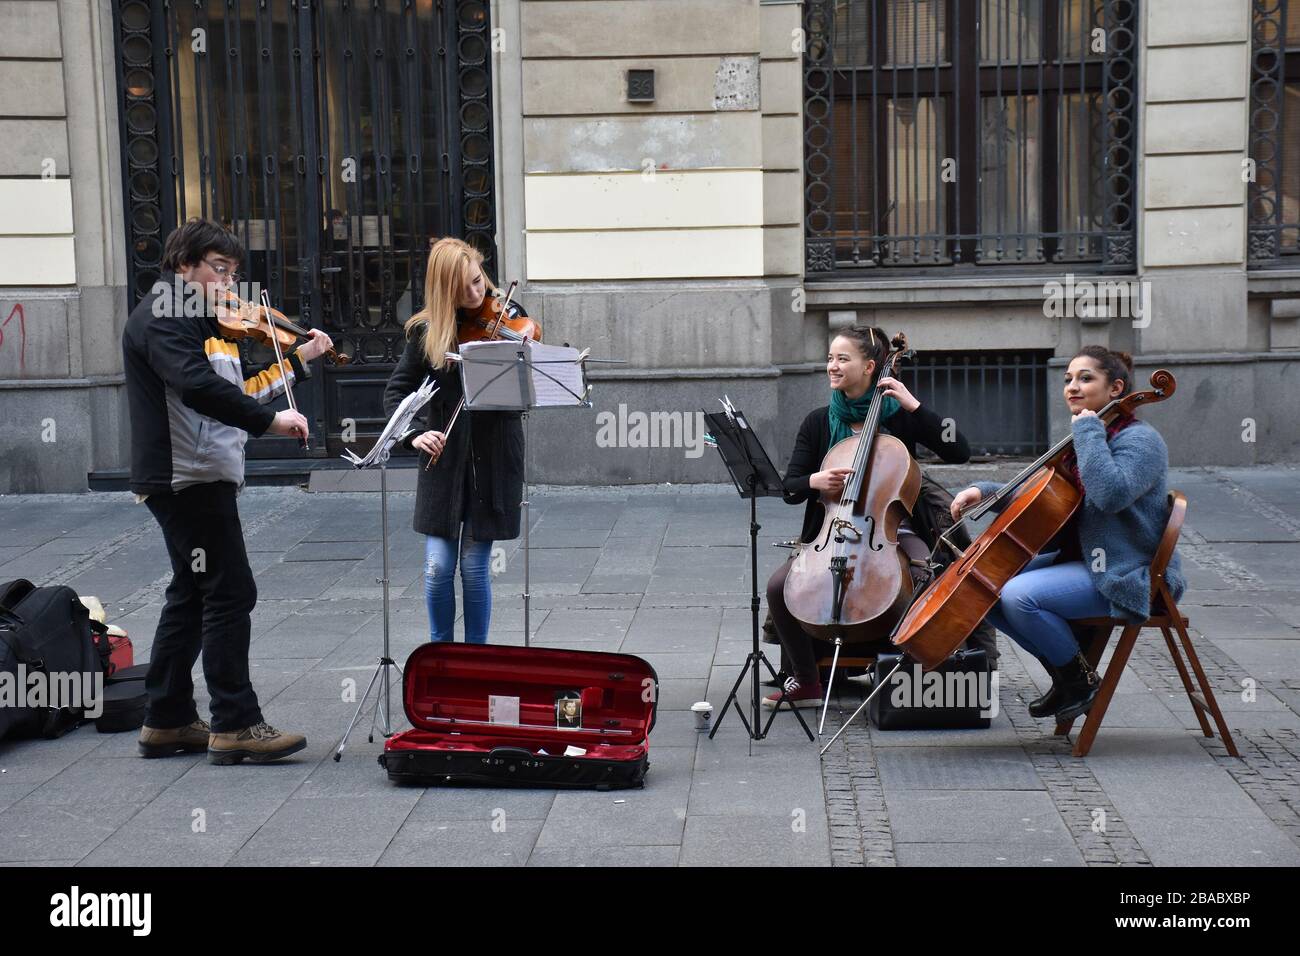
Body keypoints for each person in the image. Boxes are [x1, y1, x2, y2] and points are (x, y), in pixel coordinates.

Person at [122, 218, 334, 763]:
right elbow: (196, 388)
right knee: (230, 591)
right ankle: (235, 724)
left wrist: (297, 364)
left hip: (202, 471)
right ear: (183, 264)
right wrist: (271, 425)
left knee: (192, 593)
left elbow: (239, 391)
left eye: (233, 273)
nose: (227, 283)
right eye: (219, 270)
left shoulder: (205, 322)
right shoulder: (164, 317)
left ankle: (166, 719)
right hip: (185, 478)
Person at [949, 346, 1185, 723]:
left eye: (1086, 378)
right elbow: (1046, 495)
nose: (1072, 387)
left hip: (1125, 572)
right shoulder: (1087, 438)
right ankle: (1071, 674)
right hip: (1085, 560)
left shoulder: (1140, 442)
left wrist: (1089, 431)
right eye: (1068, 379)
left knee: (1018, 596)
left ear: (1116, 388)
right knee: (983, 588)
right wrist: (984, 492)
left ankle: (1075, 676)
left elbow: (1109, 495)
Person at [764, 325, 973, 708]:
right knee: (779, 587)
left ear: (870, 366)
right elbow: (790, 487)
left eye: (843, 358)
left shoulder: (900, 417)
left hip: (892, 528)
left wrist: (915, 406)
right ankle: (807, 679)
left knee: (924, 577)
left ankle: (913, 675)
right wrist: (816, 481)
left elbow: (959, 449)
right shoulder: (817, 421)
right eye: (830, 357)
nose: (832, 365)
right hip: (832, 530)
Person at [383, 237, 525, 644]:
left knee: (475, 567)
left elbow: (528, 383)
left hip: (493, 457)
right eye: (464, 290)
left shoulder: (509, 316)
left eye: (479, 282)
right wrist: (413, 435)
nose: (478, 294)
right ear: (444, 292)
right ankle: (440, 654)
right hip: (443, 460)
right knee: (437, 568)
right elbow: (395, 394)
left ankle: (476, 658)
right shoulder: (426, 332)